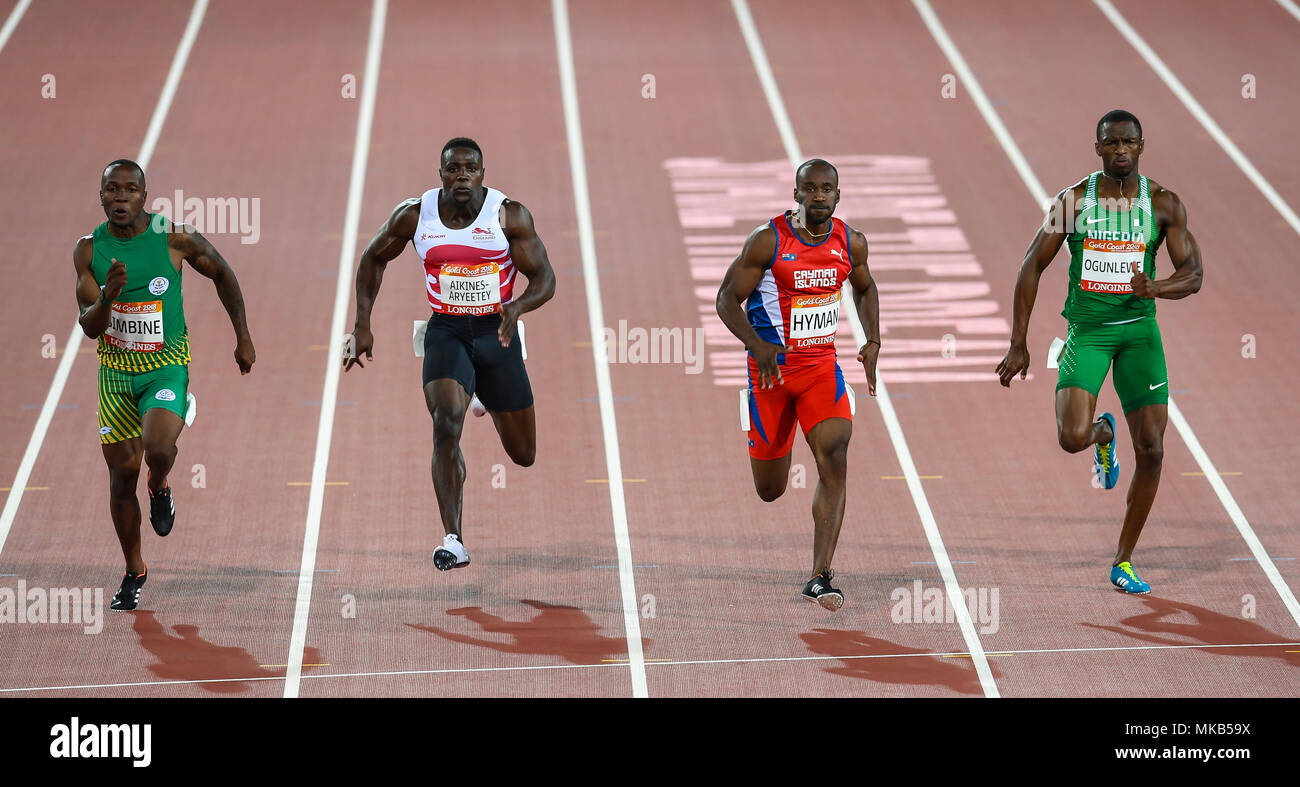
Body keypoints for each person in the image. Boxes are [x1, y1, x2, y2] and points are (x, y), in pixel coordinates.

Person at [996, 110, 1203, 594]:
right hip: (1088, 332)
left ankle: (1124, 561)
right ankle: (1102, 432)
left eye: (1128, 142)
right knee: (1071, 437)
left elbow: (1193, 274)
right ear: (1098, 149)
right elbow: (1032, 265)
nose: (1120, 151)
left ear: (1142, 145)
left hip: (1139, 335)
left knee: (1152, 451)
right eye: (1110, 144)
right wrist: (1018, 342)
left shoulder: (1164, 203)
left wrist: (1156, 287)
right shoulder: (1071, 203)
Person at [345, 138, 556, 571]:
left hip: (496, 334)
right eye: (453, 169)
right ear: (440, 173)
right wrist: (362, 324)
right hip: (446, 332)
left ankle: (483, 395)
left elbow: (545, 277)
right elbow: (372, 259)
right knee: (445, 422)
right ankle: (453, 538)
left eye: (471, 169)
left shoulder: (508, 215)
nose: (462, 176)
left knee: (524, 454)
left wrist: (517, 306)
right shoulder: (414, 215)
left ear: (483, 173)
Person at [75, 159, 255, 611]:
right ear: (100, 197)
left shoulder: (174, 238)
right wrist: (107, 297)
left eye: (129, 190)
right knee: (120, 480)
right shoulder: (87, 251)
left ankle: (159, 484)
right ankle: (134, 571)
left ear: (144, 195)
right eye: (111, 190)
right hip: (116, 374)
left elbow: (222, 273)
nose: (120, 198)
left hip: (166, 365)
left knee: (156, 449)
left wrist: (243, 337)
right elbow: (89, 327)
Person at [715, 158, 880, 611]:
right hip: (769, 374)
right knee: (770, 489)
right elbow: (726, 297)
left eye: (828, 189)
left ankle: (820, 576)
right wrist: (755, 344)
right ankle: (757, 429)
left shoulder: (851, 242)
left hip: (820, 371)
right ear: (797, 195)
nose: (819, 197)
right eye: (810, 189)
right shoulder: (768, 241)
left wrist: (873, 339)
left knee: (836, 454)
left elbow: (864, 288)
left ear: (838, 195)